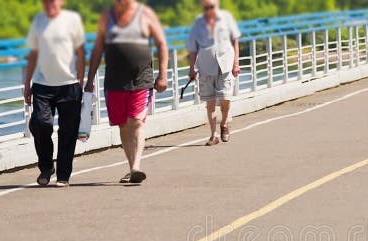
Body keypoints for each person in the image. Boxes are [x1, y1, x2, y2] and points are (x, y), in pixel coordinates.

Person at [85, 0, 168, 184]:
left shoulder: (145, 14)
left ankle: (136, 167)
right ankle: (132, 169)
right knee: (123, 124)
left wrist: (163, 75)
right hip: (115, 81)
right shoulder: (107, 17)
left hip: (142, 79)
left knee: (136, 121)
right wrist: (90, 80)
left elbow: (162, 44)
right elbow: (98, 50)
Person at [24, 0, 85, 188]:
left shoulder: (72, 19)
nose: (50, 3)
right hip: (42, 84)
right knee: (41, 124)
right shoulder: (39, 21)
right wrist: (27, 84)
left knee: (68, 132)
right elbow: (33, 54)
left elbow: (81, 53)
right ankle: (46, 167)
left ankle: (63, 175)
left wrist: (81, 81)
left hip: (69, 84)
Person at [186, 0, 241, 146]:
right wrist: (192, 68)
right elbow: (193, 47)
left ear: (217, 5)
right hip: (205, 66)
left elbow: (235, 40)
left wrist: (236, 63)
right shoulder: (198, 23)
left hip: (225, 65)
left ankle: (224, 124)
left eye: (211, 6)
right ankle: (213, 135)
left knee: (226, 99)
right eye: (206, 7)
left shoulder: (226, 18)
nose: (209, 10)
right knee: (209, 103)